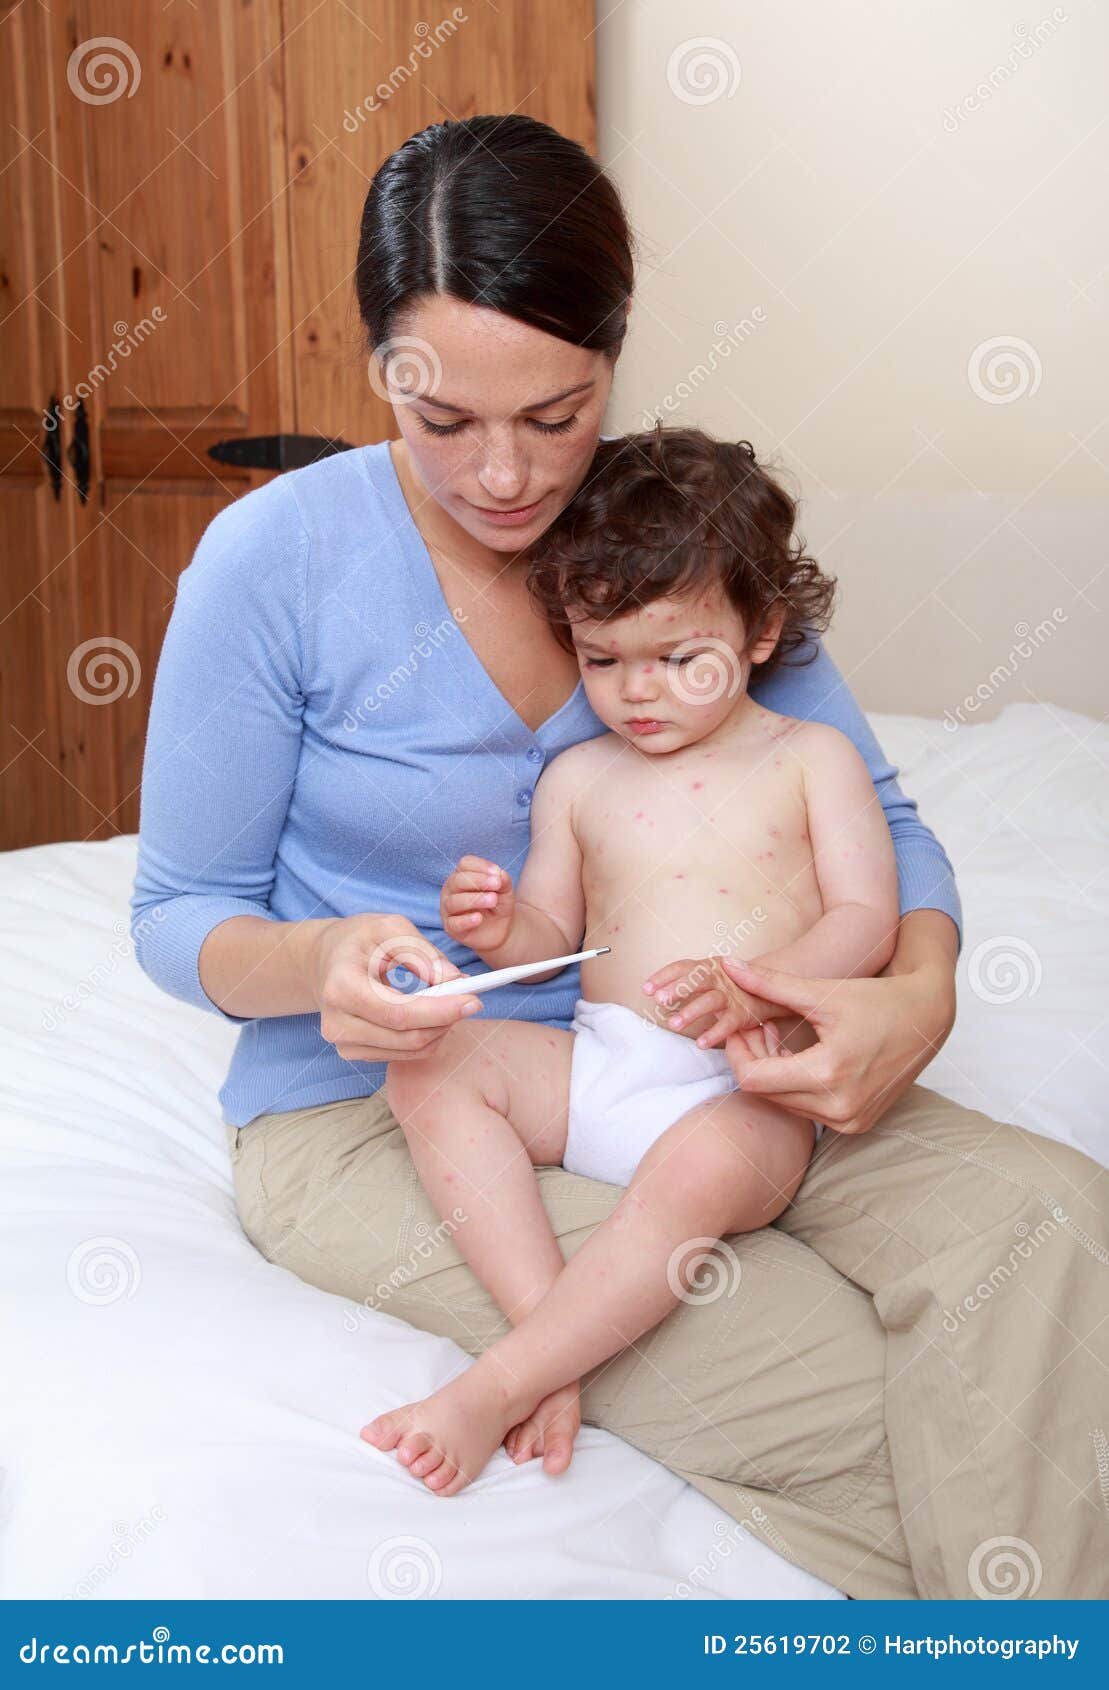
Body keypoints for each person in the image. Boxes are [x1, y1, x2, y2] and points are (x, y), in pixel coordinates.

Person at [131, 114, 1108, 1598]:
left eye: (556, 413)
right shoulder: (276, 561)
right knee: (849, 1384)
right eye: (442, 419)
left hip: (727, 1060)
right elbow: (179, 910)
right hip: (387, 1105)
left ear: (613, 352)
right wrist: (320, 958)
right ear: (377, 366)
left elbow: (880, 825)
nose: (505, 476)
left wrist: (917, 994)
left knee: (1049, 1234)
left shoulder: (666, 535)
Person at [366, 426, 901, 1496]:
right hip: (604, 1062)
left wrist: (757, 984)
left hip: (742, 1088)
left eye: (674, 658)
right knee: (425, 1065)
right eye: (601, 660)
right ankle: (551, 1342)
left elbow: (866, 917)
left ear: (760, 629)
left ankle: (497, 1384)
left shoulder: (810, 758)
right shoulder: (578, 778)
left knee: (691, 1178)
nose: (636, 692)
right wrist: (498, 926)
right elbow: (550, 942)